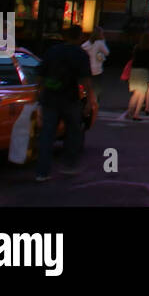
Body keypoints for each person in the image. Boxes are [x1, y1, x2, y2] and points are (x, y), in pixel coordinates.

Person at [34, 25, 97, 181]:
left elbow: (40, 75)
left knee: (47, 134)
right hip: (70, 97)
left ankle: (42, 171)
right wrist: (89, 100)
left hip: (50, 96)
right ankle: (70, 164)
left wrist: (39, 95)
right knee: (74, 131)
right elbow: (86, 80)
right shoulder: (80, 54)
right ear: (80, 37)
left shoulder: (52, 51)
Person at [123, 33, 149, 121]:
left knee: (135, 93)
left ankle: (130, 112)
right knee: (141, 94)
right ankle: (136, 114)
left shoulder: (137, 48)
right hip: (144, 72)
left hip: (134, 71)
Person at [81, 27, 110, 103]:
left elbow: (82, 50)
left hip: (87, 69)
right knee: (96, 89)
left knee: (87, 88)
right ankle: (94, 105)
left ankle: (86, 103)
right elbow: (107, 52)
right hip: (97, 70)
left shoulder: (87, 44)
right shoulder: (100, 43)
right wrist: (103, 41)